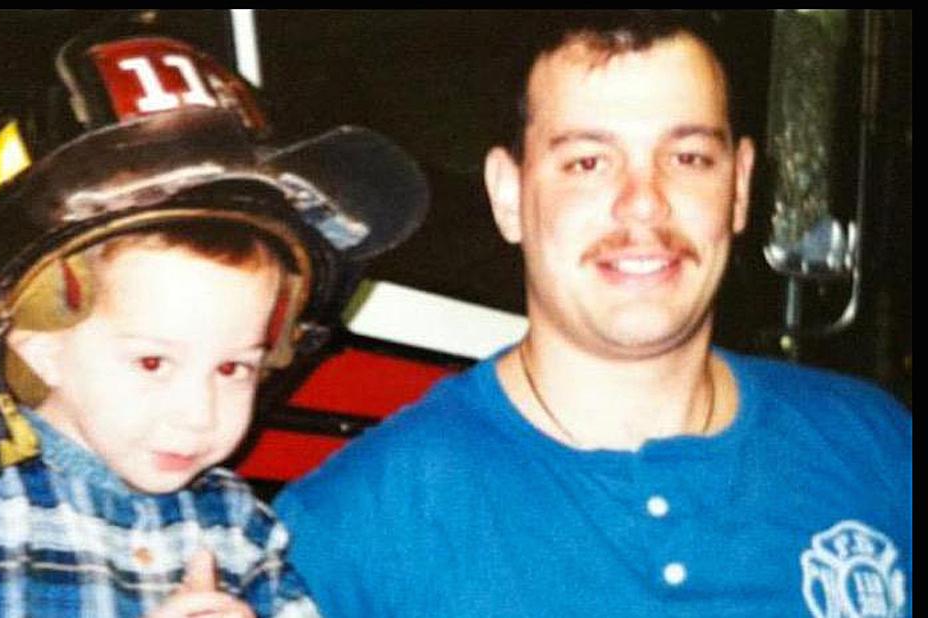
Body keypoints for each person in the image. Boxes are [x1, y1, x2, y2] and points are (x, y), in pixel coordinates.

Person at [274, 11, 912, 617]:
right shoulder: (347, 534)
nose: (644, 204)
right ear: (508, 194)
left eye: (688, 158)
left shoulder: (874, 448)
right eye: (588, 163)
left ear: (740, 187)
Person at [0, 12, 428, 618]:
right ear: (41, 344)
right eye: (153, 362)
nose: (198, 414)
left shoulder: (237, 523)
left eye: (233, 368)